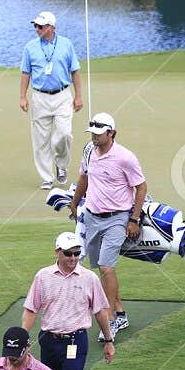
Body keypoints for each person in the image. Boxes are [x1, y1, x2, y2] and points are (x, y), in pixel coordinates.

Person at [21, 230, 114, 370]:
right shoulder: (43, 276)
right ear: (57, 252)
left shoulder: (89, 278)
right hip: (49, 341)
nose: (73, 258)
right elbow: (31, 309)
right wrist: (23, 338)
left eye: (76, 253)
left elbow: (100, 311)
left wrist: (108, 340)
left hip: (75, 341)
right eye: (68, 254)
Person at [67, 112, 146, 341]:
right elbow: (84, 178)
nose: (94, 137)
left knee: (106, 267)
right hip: (92, 217)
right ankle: (120, 313)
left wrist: (134, 219)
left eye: (98, 133)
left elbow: (141, 187)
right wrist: (74, 203)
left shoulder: (125, 158)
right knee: (101, 269)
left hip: (117, 218)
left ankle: (109, 321)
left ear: (111, 133)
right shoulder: (88, 151)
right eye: (92, 132)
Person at [17, 11, 85, 190]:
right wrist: (22, 97)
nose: (36, 29)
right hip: (39, 97)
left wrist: (78, 95)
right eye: (35, 26)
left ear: (51, 27)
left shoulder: (66, 44)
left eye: (40, 26)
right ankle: (47, 177)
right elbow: (25, 73)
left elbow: (75, 71)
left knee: (64, 134)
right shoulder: (30, 47)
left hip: (62, 95)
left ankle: (61, 164)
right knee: (41, 140)